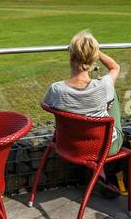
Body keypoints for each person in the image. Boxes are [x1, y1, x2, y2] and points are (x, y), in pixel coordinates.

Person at [41, 30, 125, 196]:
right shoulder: (104, 85)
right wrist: (95, 51)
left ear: (71, 57)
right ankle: (102, 175)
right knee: (111, 97)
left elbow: (45, 104)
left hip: (69, 145)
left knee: (103, 102)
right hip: (103, 146)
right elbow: (115, 67)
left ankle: (98, 175)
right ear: (93, 59)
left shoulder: (56, 89)